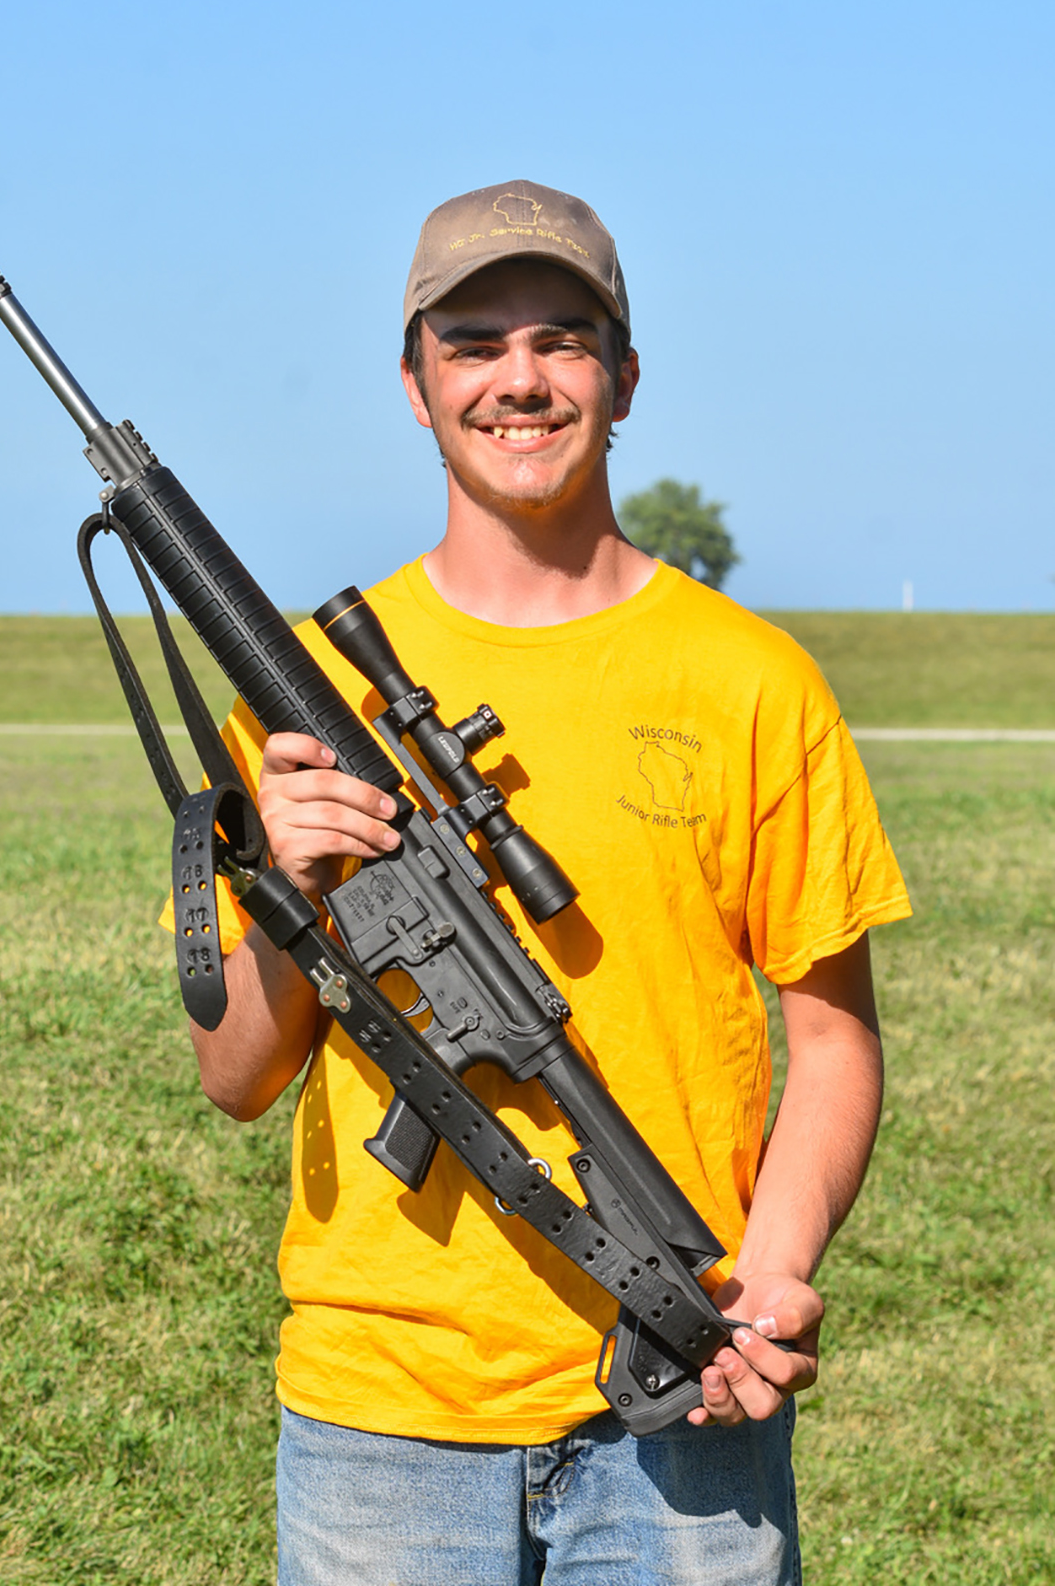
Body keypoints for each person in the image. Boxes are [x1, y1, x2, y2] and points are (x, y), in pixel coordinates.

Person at [183, 181, 911, 1584]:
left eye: (562, 340)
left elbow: (830, 1036)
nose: (520, 379)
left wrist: (766, 1281)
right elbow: (236, 1077)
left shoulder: (751, 681)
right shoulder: (307, 696)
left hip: (684, 1399)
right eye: (473, 343)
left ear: (624, 376)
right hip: (380, 1421)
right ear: (415, 384)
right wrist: (280, 891)